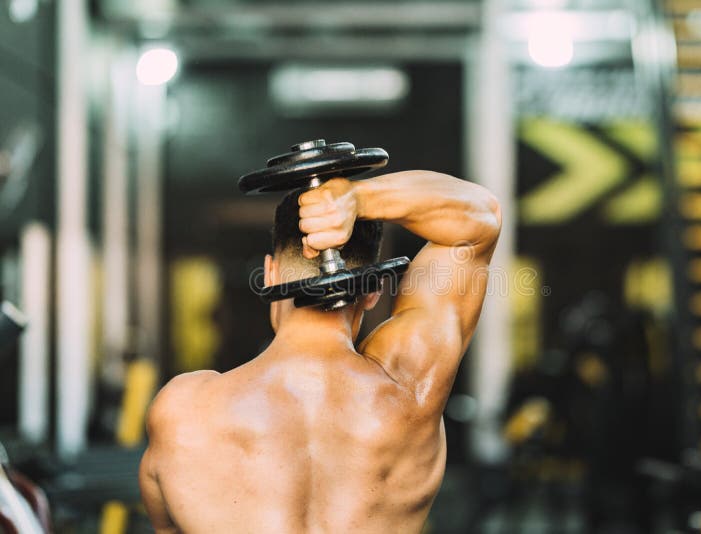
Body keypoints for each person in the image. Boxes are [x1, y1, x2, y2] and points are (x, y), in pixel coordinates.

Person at [139, 171, 502, 533]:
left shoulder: (181, 412)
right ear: (373, 289)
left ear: (269, 274)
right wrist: (358, 199)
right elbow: (480, 219)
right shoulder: (411, 389)